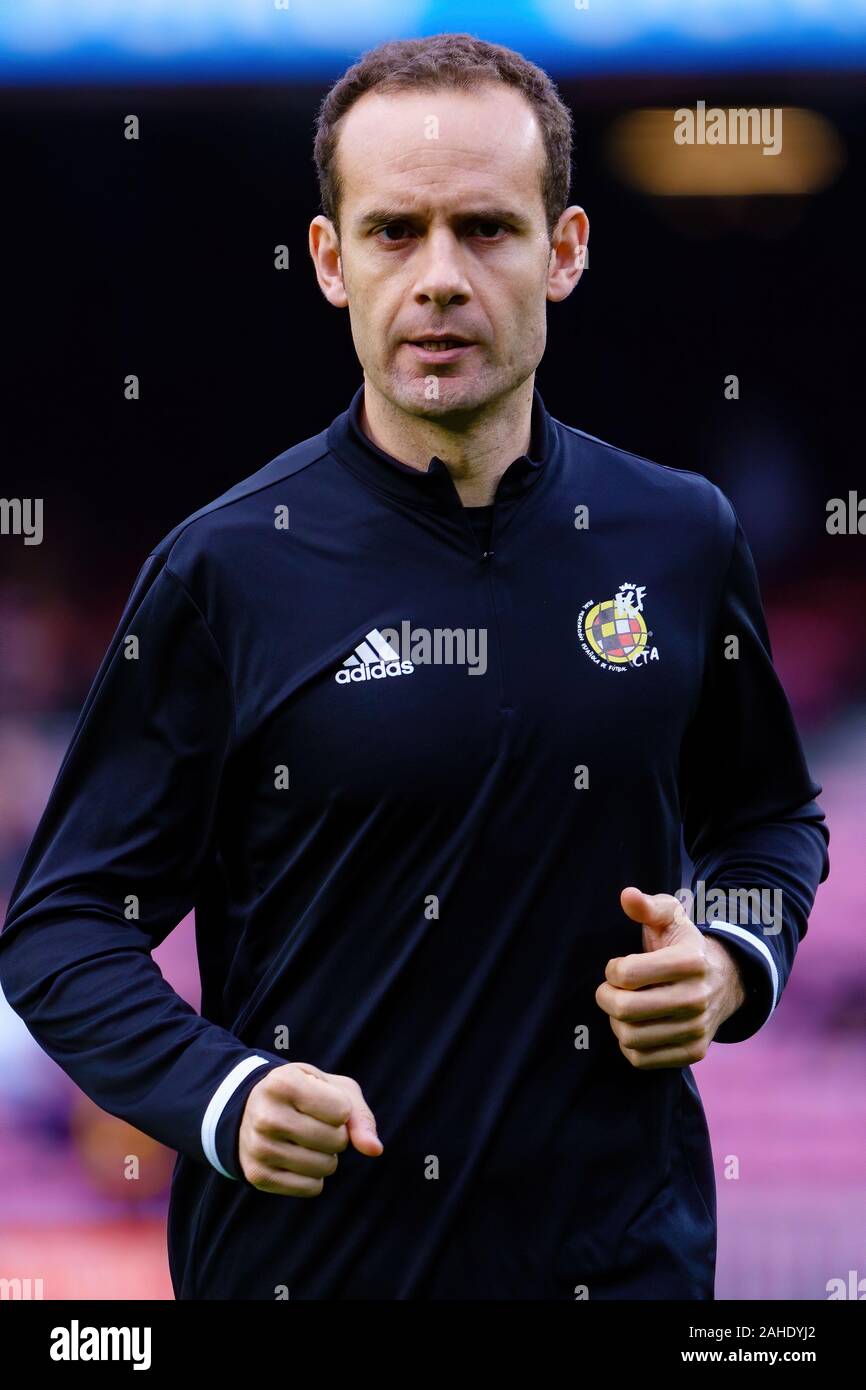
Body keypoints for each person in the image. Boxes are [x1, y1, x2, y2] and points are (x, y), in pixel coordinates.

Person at [0, 33, 829, 1300]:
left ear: (564, 250)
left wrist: (731, 959)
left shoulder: (678, 535)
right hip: (312, 1277)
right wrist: (223, 1094)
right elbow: (61, 930)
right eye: (394, 232)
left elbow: (769, 818)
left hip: (625, 1276)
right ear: (331, 262)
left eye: (486, 231)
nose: (438, 278)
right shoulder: (224, 571)